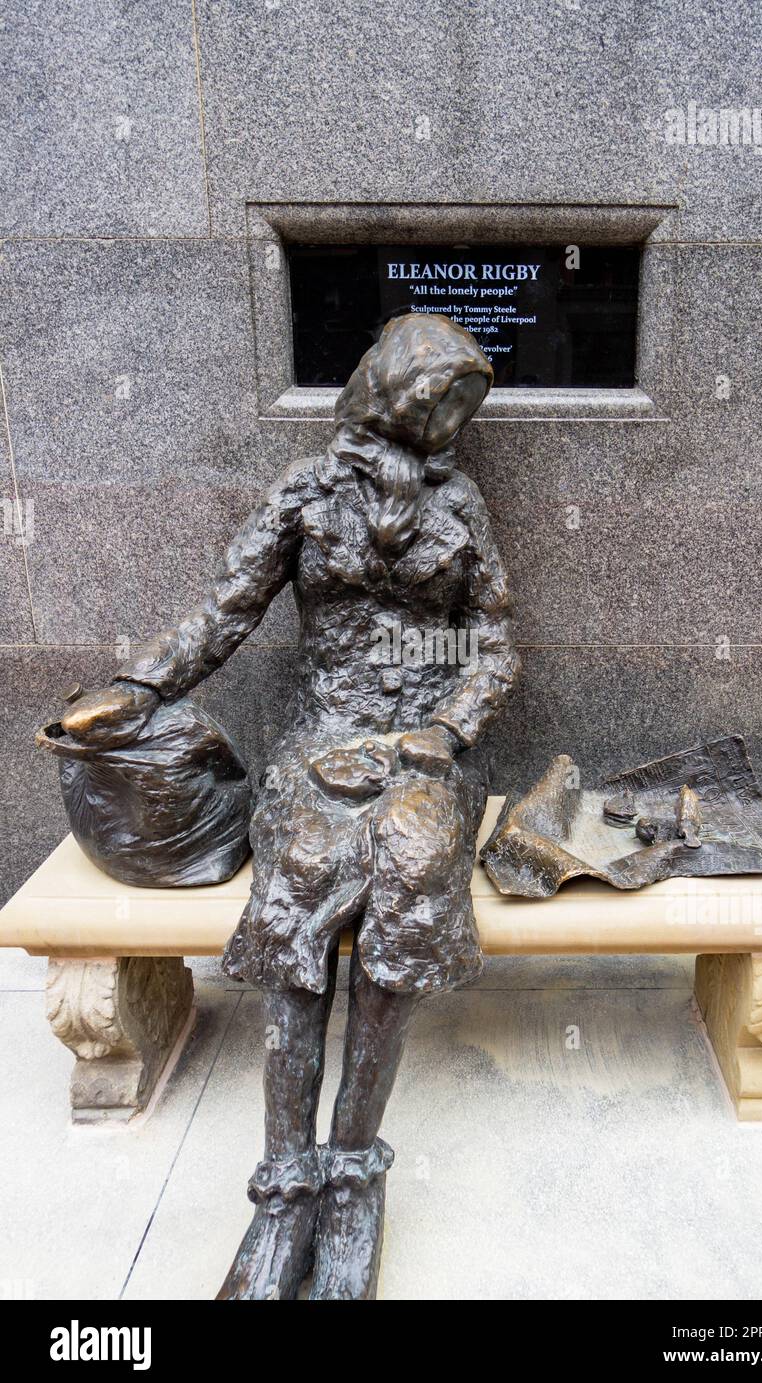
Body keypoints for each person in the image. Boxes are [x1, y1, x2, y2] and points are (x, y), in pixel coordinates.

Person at [61, 313, 520, 1300]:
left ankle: (352, 1175)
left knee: (409, 874)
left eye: (464, 406)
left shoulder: (464, 506)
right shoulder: (306, 494)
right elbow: (223, 609)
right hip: (322, 736)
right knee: (297, 893)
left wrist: (449, 728)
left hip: (424, 747)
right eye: (439, 398)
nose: (450, 421)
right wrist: (140, 688)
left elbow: (495, 645)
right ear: (389, 391)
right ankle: (283, 1190)